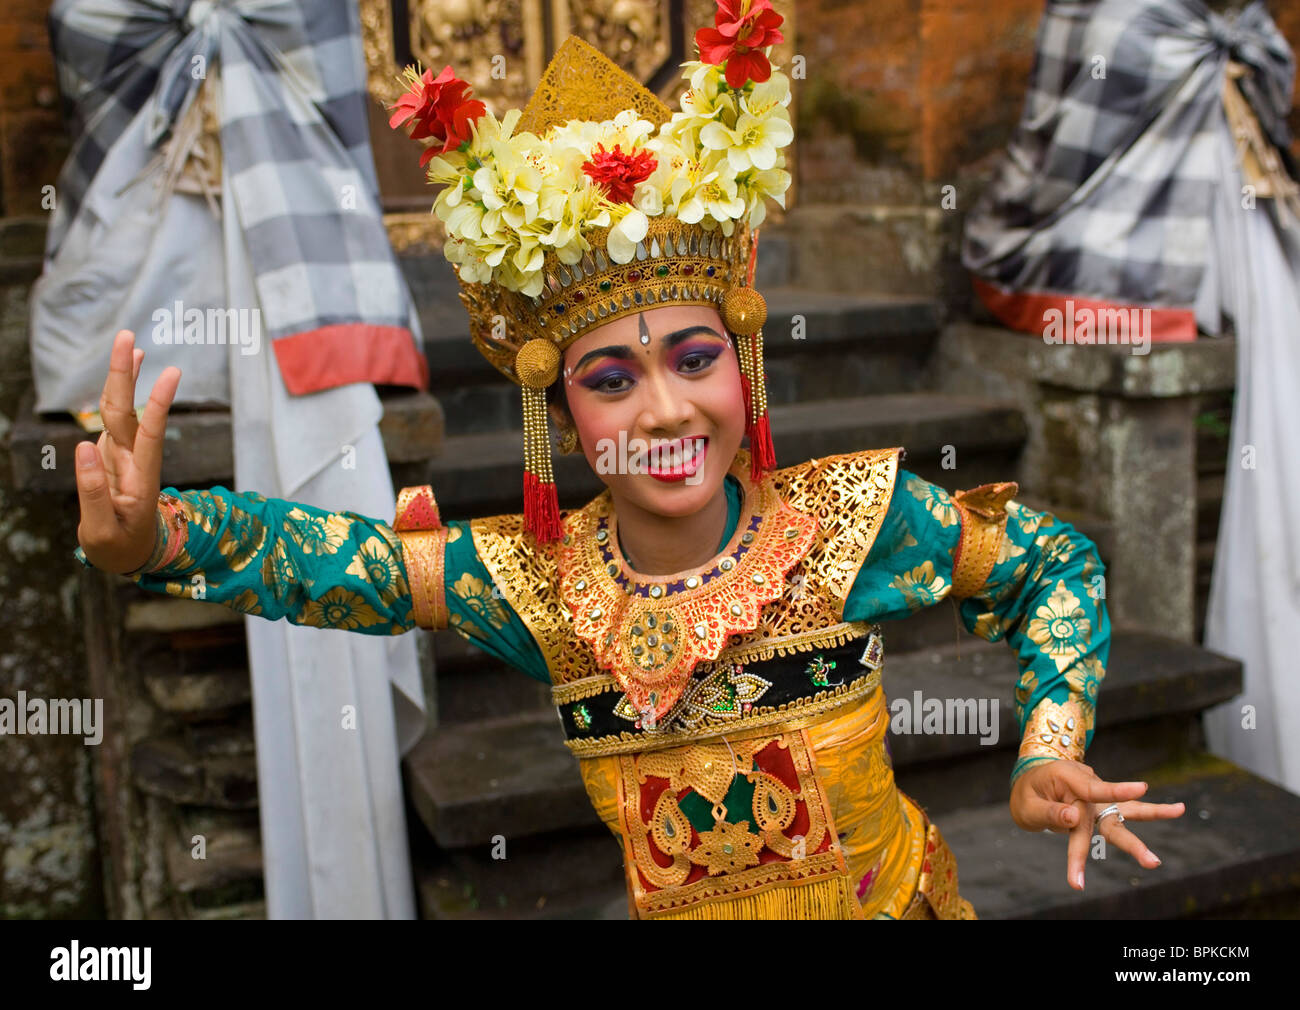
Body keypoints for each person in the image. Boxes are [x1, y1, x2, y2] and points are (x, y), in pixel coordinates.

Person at [72, 3, 1184, 919]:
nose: (665, 408)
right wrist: (162, 533)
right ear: (558, 411)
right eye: (610, 379)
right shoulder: (541, 585)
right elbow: (335, 564)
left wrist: (1046, 747)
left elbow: (1049, 564)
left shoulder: (851, 516)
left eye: (694, 359)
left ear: (742, 362)